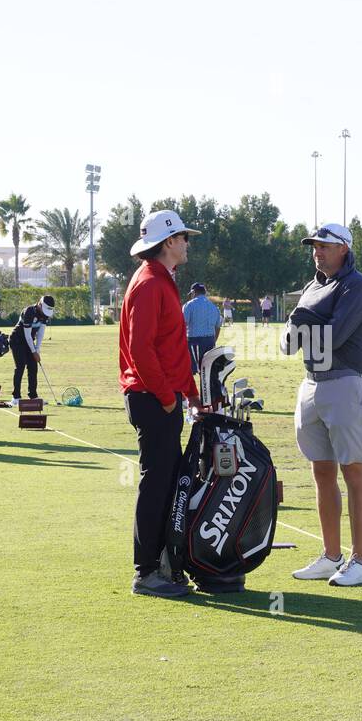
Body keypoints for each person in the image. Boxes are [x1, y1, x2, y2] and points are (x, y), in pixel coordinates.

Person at [281, 223, 362, 587]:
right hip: (311, 384)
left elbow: (332, 338)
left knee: (352, 470)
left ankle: (358, 562)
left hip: (345, 383)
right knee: (321, 470)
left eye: (324, 247)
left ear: (344, 250)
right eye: (314, 247)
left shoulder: (357, 286)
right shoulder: (312, 286)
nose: (317, 252)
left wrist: (305, 322)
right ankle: (331, 555)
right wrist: (300, 325)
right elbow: (289, 344)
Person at [120, 209, 205, 599]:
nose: (188, 243)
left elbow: (170, 348)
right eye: (184, 237)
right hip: (152, 399)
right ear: (169, 241)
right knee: (156, 484)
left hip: (161, 396)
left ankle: (162, 564)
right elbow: (141, 349)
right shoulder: (152, 282)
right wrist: (168, 397)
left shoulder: (162, 280)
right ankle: (147, 571)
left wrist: (188, 392)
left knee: (166, 481)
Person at [9, 295, 55, 404]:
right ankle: (16, 398)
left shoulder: (44, 315)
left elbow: (40, 334)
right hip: (17, 340)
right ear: (39, 304)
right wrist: (33, 352)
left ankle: (33, 397)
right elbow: (27, 335)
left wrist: (37, 350)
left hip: (29, 342)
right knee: (20, 366)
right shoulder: (29, 311)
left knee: (33, 367)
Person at [182, 282, 221, 375]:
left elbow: (183, 324)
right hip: (210, 340)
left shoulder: (189, 305)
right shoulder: (214, 307)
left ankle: (191, 389)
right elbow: (218, 327)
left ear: (194, 292)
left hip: (194, 341)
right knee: (206, 372)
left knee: (191, 372)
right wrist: (213, 340)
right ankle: (206, 389)